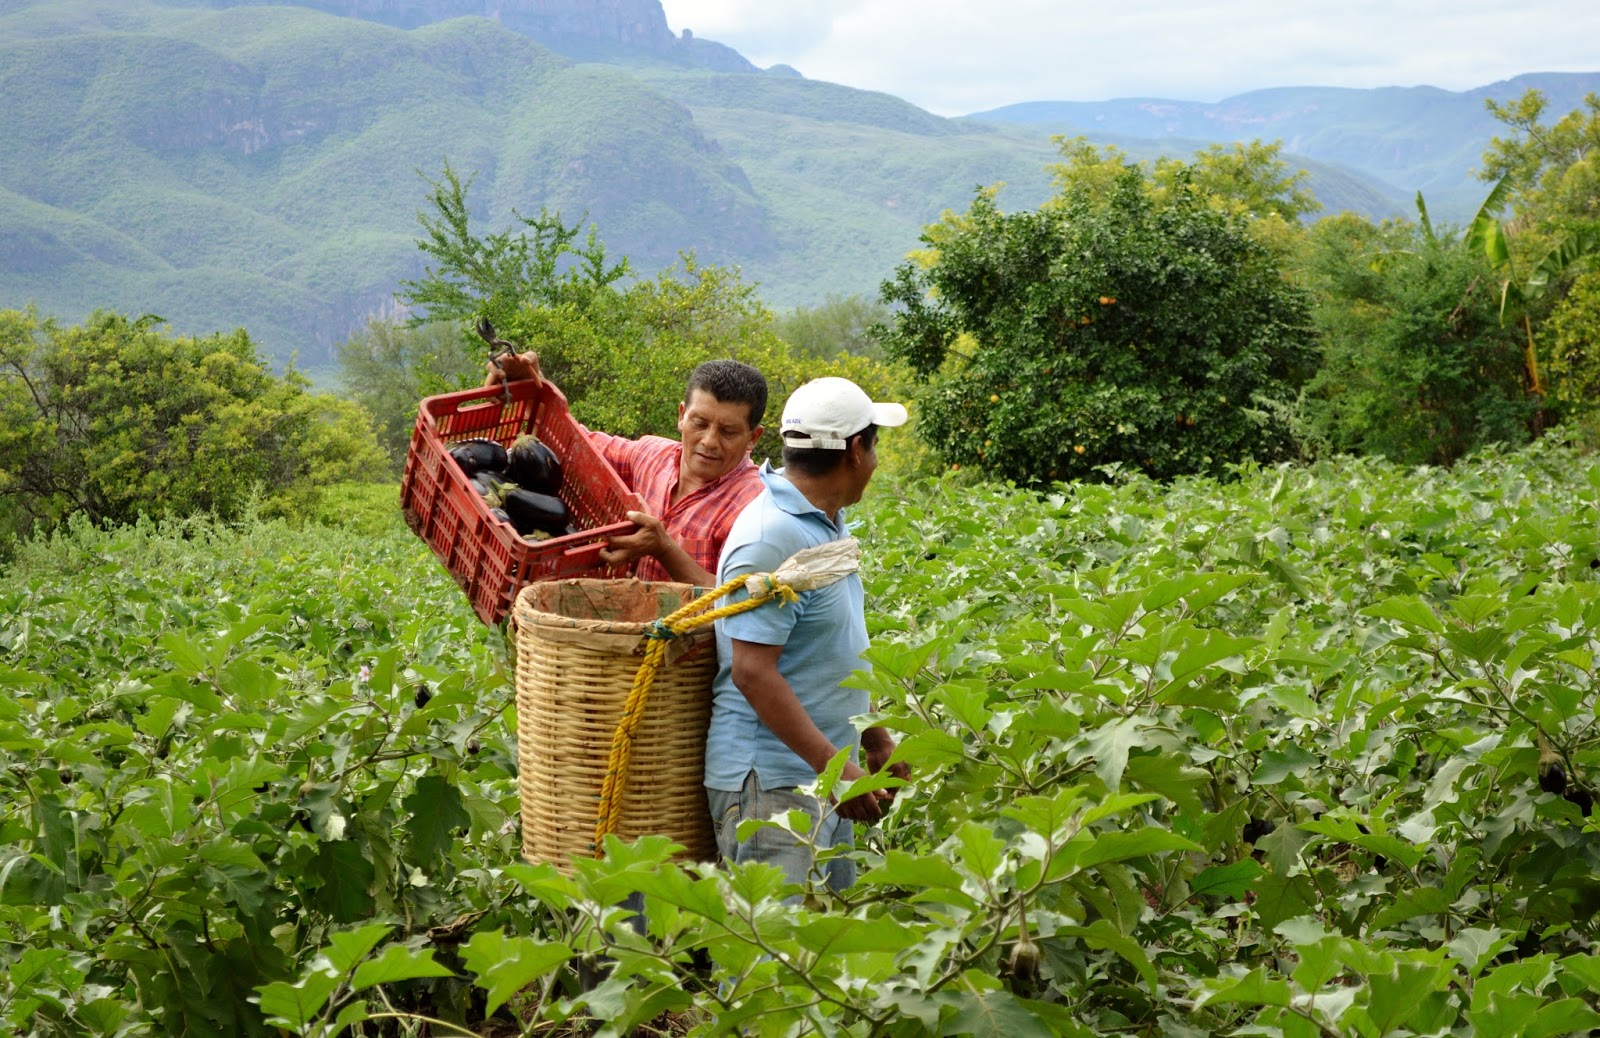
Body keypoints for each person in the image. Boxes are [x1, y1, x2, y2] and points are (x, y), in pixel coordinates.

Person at [704, 376, 913, 897]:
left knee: (820, 955)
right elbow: (753, 672)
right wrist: (834, 770)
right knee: (772, 968)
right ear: (856, 451)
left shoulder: (823, 522)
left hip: (821, 774)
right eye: (875, 444)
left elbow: (828, 651)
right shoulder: (770, 534)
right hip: (773, 788)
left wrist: (873, 738)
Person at [487, 350, 766, 586]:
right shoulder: (651, 455)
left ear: (753, 437)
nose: (709, 441)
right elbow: (574, 443)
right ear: (682, 416)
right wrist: (531, 388)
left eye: (728, 432)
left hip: (688, 647)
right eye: (700, 423)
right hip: (619, 634)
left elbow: (737, 606)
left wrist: (664, 550)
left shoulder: (755, 510)